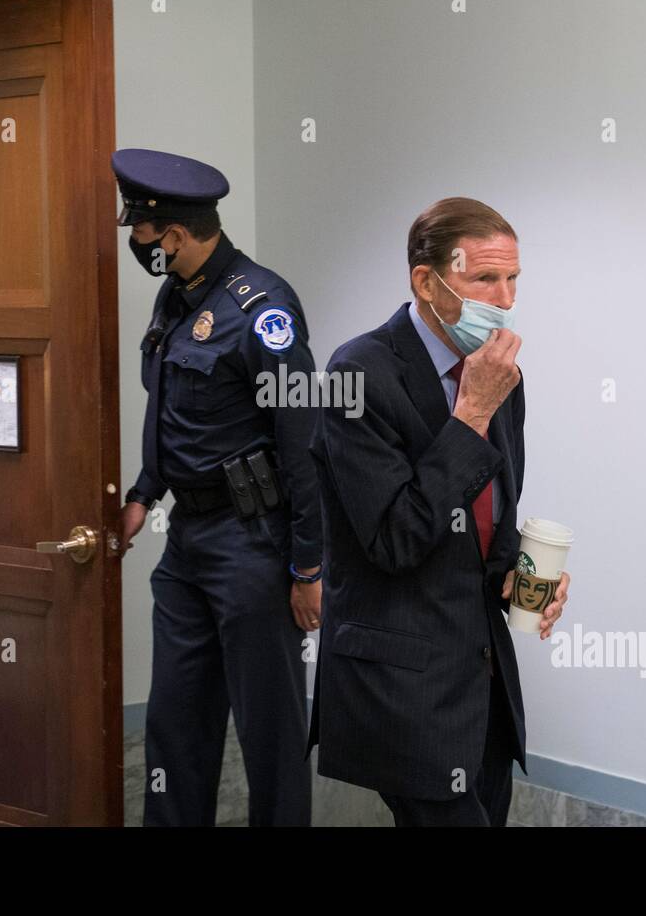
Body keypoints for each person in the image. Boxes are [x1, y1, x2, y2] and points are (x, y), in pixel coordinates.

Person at [306, 196, 571, 826]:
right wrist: (471, 411)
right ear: (426, 281)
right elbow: (395, 539)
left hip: (482, 685)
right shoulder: (357, 374)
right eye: (484, 278)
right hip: (401, 685)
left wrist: (520, 581)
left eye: (513, 280)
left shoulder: (501, 377)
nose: (504, 300)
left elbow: (490, 520)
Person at [113, 148, 322, 826]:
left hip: (254, 548)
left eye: (139, 233)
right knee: (175, 731)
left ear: (173, 234)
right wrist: (145, 492)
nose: (135, 243)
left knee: (271, 739)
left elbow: (302, 443)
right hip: (188, 548)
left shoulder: (264, 309)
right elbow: (169, 410)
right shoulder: (175, 295)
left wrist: (308, 565)